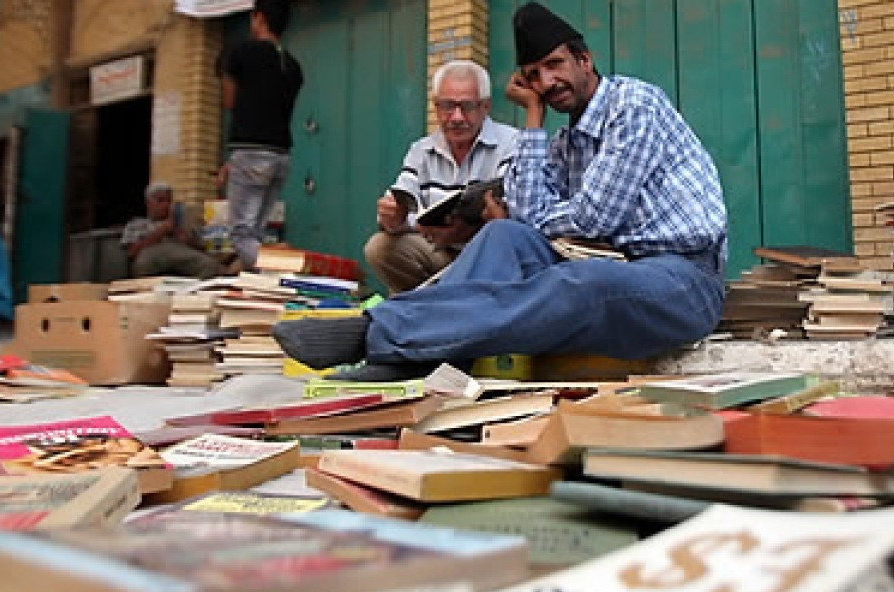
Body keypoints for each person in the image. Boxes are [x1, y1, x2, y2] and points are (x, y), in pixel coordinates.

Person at [273, 2, 726, 381]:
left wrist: (548, 220)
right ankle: (429, 358)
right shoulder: (565, 141)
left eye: (555, 65)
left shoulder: (633, 105)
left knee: (579, 283)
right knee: (503, 237)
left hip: (679, 282)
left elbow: (594, 220)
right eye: (534, 75)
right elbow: (527, 222)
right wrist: (532, 119)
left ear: (584, 60)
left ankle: (376, 333)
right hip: (609, 263)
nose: (547, 83)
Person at [364, 60, 518, 293]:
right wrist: (393, 218)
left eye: (466, 106)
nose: (456, 117)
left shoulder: (510, 143)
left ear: (485, 107)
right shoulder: (420, 151)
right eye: (447, 106)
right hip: (439, 254)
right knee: (379, 248)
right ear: (435, 107)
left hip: (487, 259)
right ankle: (431, 308)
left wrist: (469, 230)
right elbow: (401, 204)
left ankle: (438, 307)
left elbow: (517, 218)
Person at [219, 0, 303, 271]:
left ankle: (285, 273)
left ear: (259, 18)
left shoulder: (241, 52)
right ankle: (261, 285)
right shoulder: (292, 66)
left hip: (250, 150)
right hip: (280, 155)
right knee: (255, 232)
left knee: (241, 234)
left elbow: (229, 101)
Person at [120, 182, 223, 279]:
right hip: (149, 263)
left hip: (183, 266)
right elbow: (131, 252)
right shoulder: (136, 224)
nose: (166, 205)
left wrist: (186, 239)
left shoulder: (183, 224)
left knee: (210, 265)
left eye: (168, 201)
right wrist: (161, 231)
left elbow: (203, 249)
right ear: (148, 203)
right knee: (143, 263)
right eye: (160, 201)